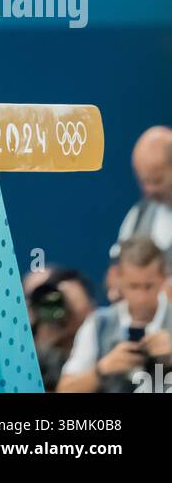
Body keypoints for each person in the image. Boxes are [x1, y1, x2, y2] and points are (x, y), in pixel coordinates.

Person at [58, 236, 172, 393]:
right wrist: (103, 369)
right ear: (117, 279)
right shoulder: (99, 323)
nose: (141, 298)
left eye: (149, 286)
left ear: (164, 278)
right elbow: (65, 390)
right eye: (133, 286)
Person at [110, 127, 172, 274]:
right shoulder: (138, 216)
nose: (149, 189)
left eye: (157, 181)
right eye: (143, 181)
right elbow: (116, 273)